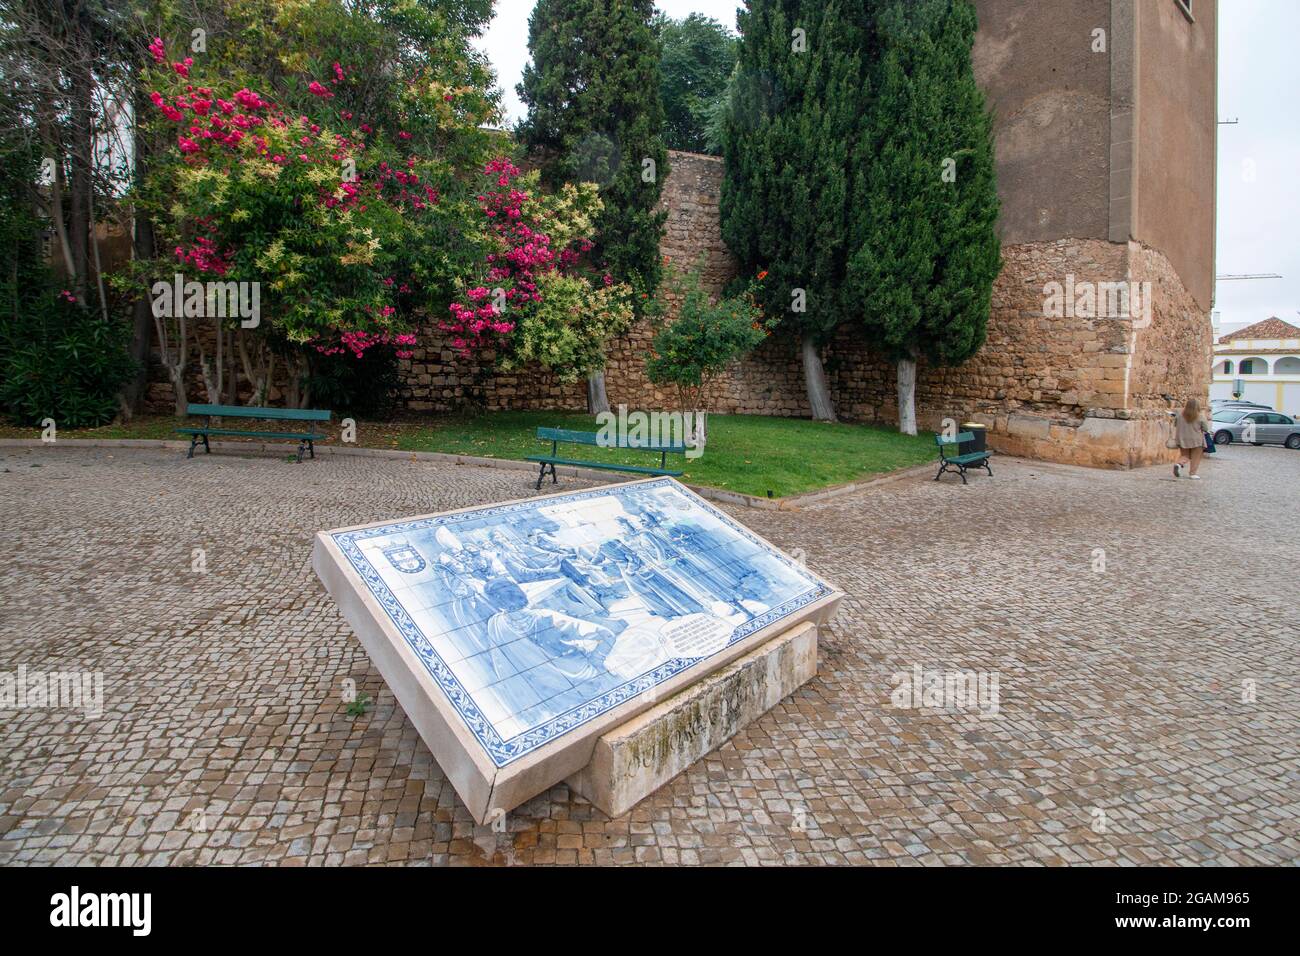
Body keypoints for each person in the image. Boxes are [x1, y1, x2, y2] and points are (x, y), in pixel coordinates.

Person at [1172, 398, 1210, 480]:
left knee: (1185, 455)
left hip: (1182, 439)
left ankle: (1179, 464)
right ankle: (1192, 474)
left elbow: (1175, 424)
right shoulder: (1200, 416)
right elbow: (1205, 428)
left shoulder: (1179, 415)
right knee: (1196, 457)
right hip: (1196, 440)